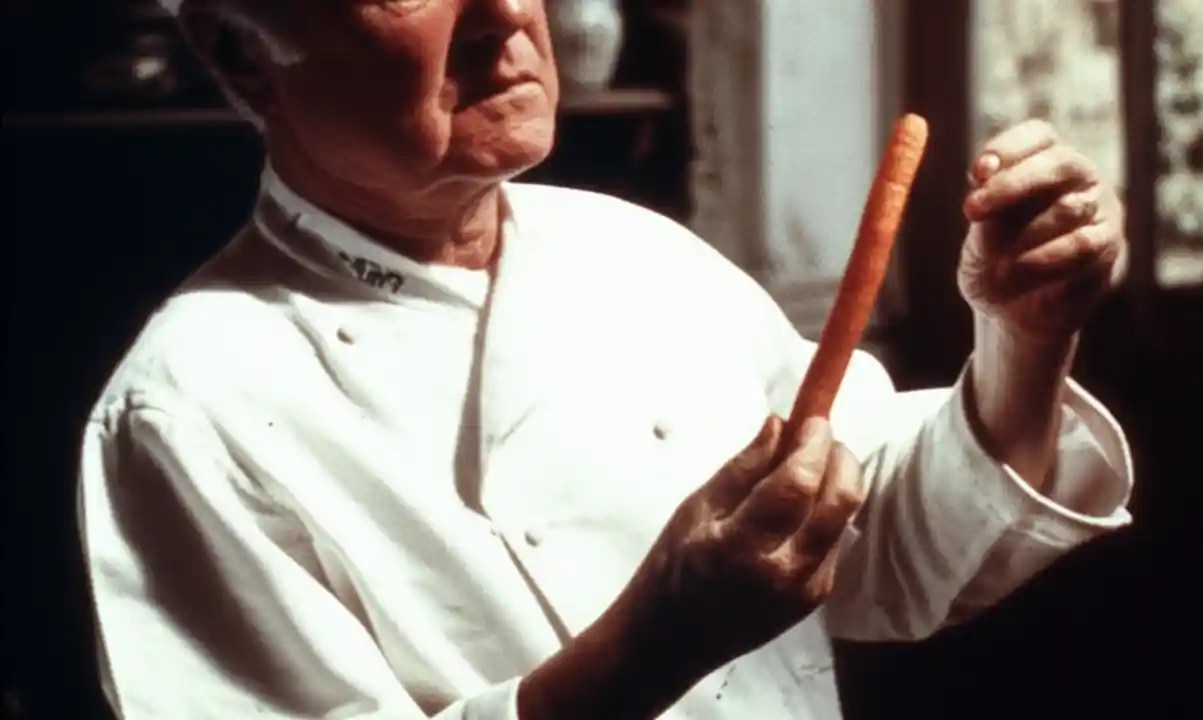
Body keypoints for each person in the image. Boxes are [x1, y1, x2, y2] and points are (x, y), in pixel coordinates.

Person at [76, 1, 1135, 718]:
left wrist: (1022, 336)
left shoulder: (633, 253)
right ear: (243, 55)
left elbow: (890, 548)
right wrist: (655, 639)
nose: (505, 14)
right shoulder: (190, 404)